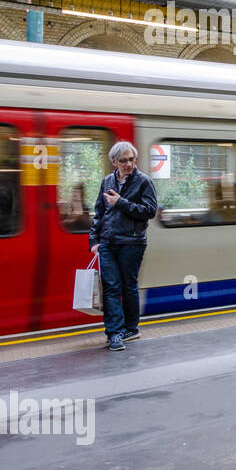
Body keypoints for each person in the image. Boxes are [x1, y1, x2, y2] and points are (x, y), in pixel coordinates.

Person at [89, 141, 158, 351]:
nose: (128, 164)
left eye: (131, 159)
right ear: (114, 162)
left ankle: (131, 327)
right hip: (108, 243)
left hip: (132, 242)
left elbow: (150, 211)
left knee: (128, 287)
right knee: (111, 287)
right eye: (123, 160)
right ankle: (114, 334)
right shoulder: (107, 181)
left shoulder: (144, 182)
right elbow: (99, 213)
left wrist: (120, 202)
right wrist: (94, 241)